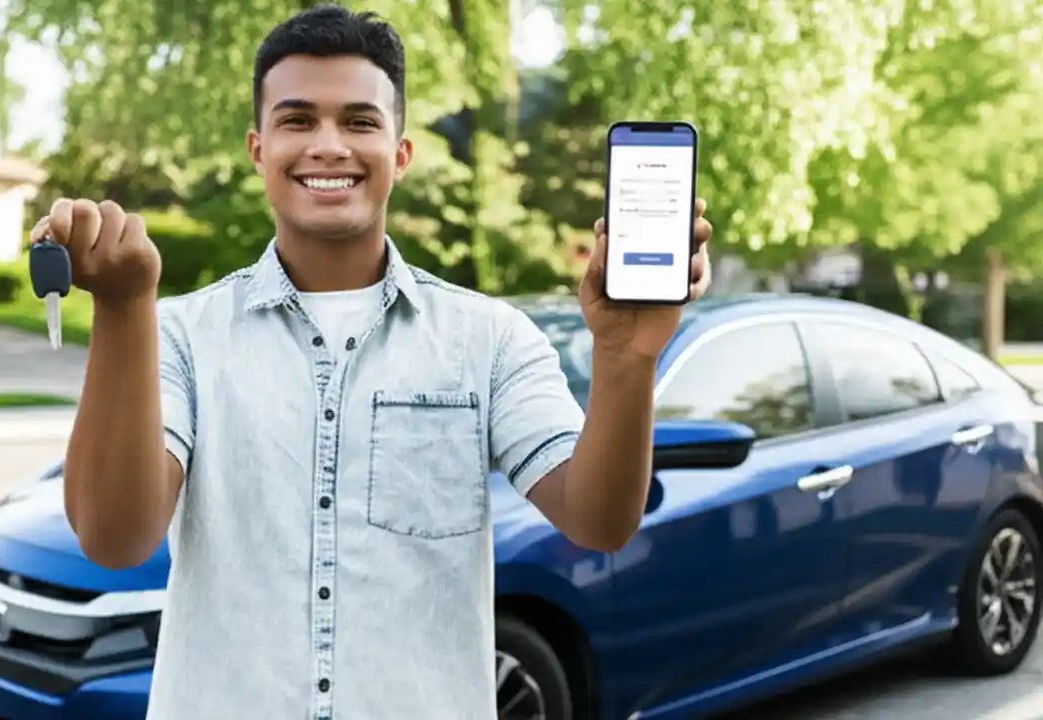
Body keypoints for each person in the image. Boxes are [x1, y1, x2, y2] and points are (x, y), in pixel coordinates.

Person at [35, 4, 712, 718]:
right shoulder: (176, 336)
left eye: (359, 122)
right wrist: (121, 309)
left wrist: (622, 356)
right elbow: (114, 538)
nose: (329, 145)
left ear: (402, 152)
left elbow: (599, 522)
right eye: (298, 120)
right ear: (258, 148)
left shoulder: (491, 340)